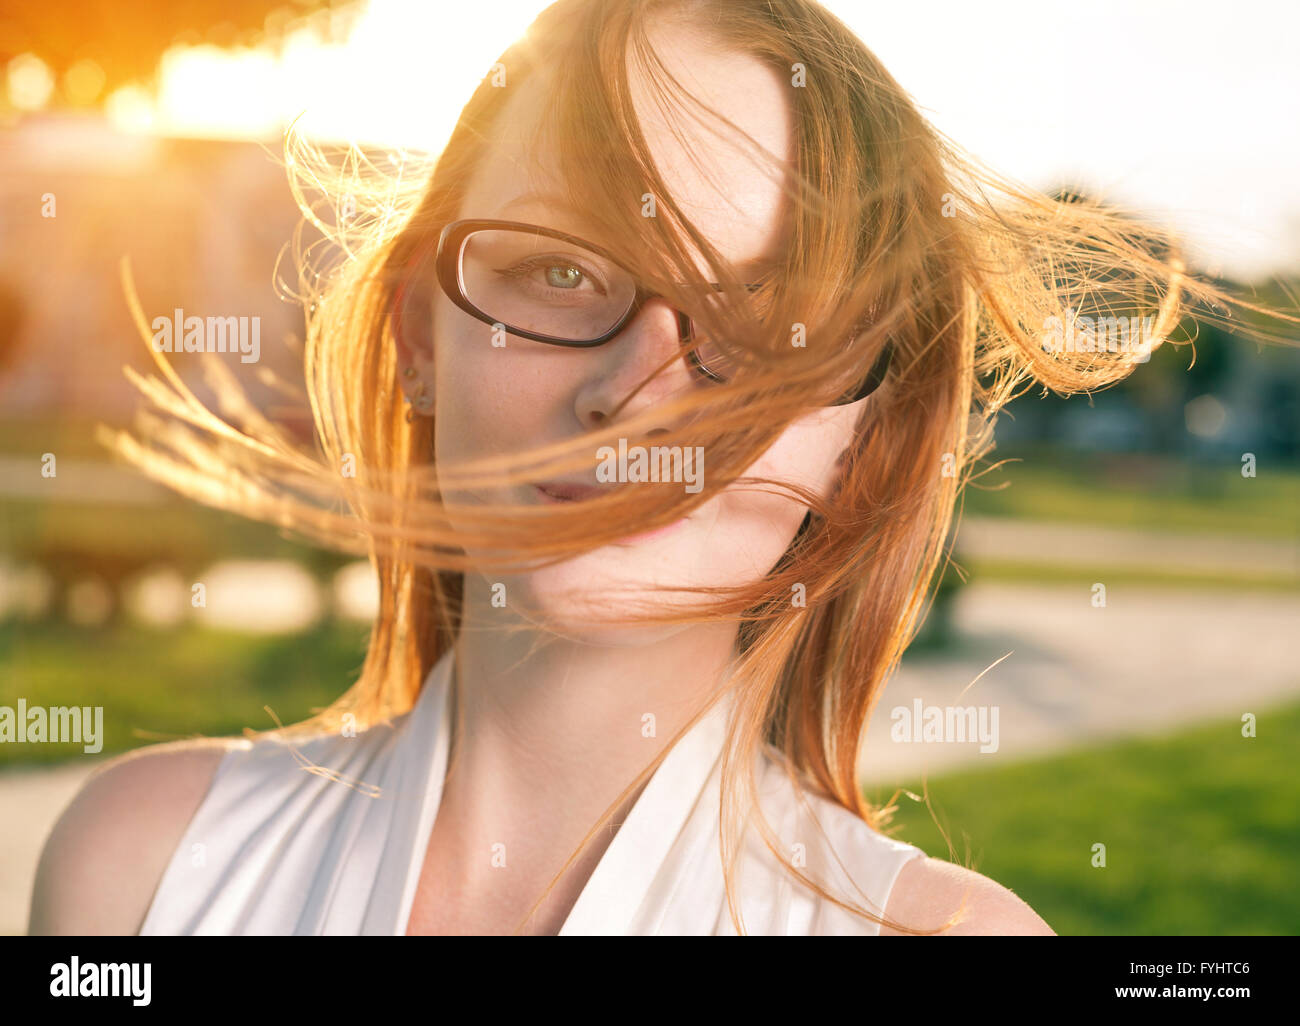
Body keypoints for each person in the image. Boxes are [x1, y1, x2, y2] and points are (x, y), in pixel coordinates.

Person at [36, 0, 1244, 935]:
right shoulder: (135, 868)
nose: (637, 391)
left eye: (770, 322)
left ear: (866, 435)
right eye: (563, 271)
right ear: (418, 335)